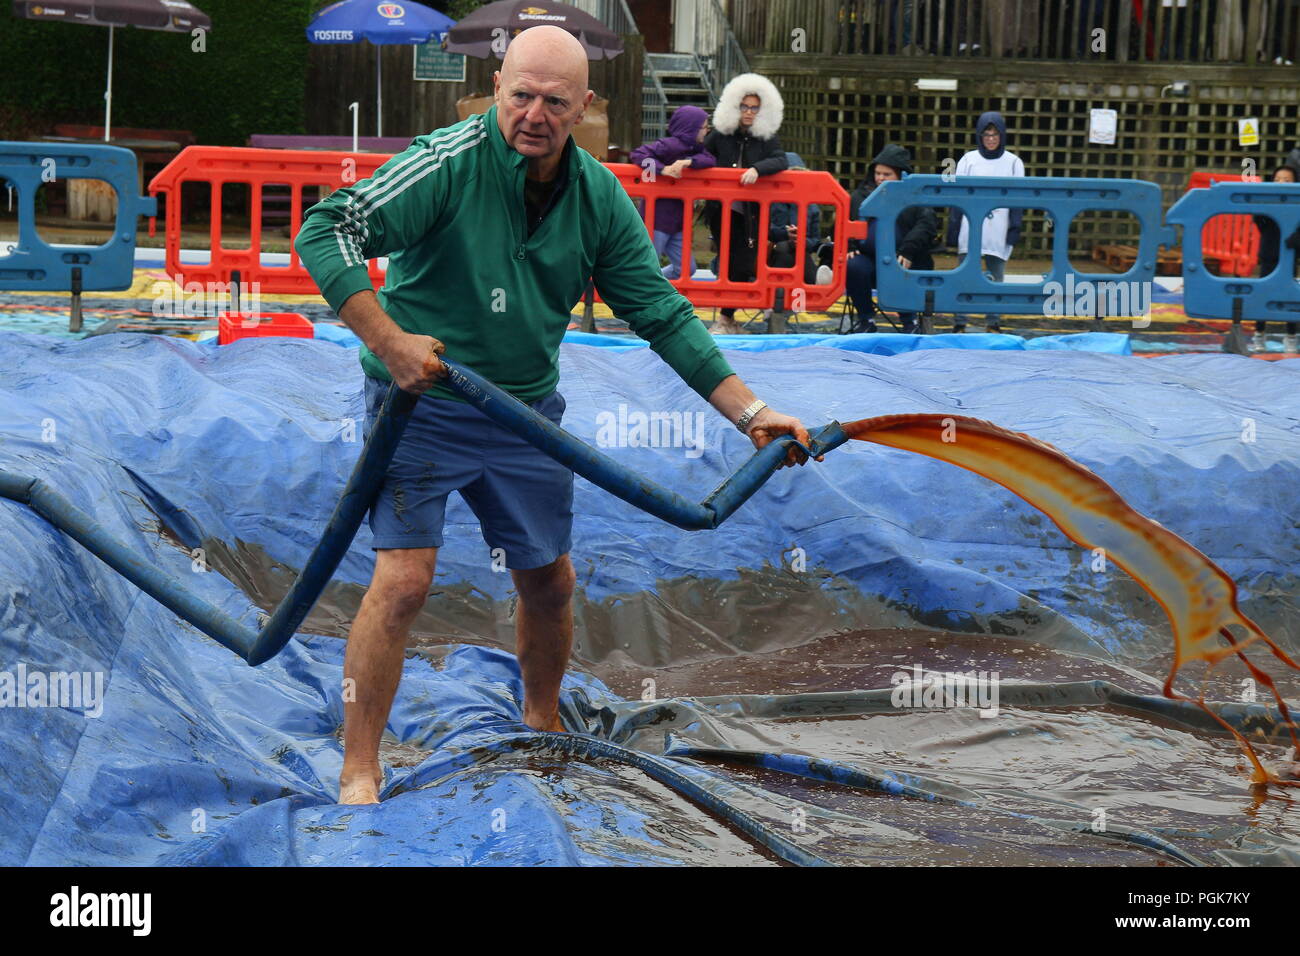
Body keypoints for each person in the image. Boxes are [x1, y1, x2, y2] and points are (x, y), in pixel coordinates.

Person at [293, 26, 819, 805]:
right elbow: (323, 230)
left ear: (585, 109)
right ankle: (360, 765)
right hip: (422, 406)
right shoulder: (447, 165)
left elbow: (662, 314)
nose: (534, 114)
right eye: (521, 95)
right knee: (404, 581)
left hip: (523, 413)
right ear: (496, 87)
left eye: (555, 102)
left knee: (550, 582)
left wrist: (753, 412)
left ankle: (540, 725)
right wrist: (391, 340)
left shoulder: (599, 196)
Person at [702, 73, 789, 334]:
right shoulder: (721, 134)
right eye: (744, 106)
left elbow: (781, 160)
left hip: (750, 214)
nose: (749, 112)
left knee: (742, 263)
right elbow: (702, 154)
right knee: (727, 261)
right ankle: (725, 319)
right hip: (721, 210)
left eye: (754, 107)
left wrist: (757, 169)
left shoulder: (766, 137)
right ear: (734, 106)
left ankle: (727, 317)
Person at [844, 144, 938, 334]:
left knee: (904, 266)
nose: (880, 178)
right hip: (869, 259)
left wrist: (908, 250)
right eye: (878, 173)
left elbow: (926, 225)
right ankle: (866, 320)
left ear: (900, 175)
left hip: (904, 257)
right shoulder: (859, 196)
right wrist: (850, 245)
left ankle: (909, 321)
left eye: (887, 174)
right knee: (852, 265)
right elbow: (845, 223)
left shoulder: (916, 197)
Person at [945, 110, 1025, 332]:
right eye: (986, 134)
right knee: (963, 275)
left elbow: (1019, 197)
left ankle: (993, 321)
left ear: (1002, 136)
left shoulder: (1013, 162)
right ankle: (960, 321)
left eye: (995, 134)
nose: (991, 139)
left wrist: (1015, 227)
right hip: (970, 225)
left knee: (996, 276)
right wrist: (953, 226)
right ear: (980, 136)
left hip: (999, 225)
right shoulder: (968, 160)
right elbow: (956, 196)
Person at [628, 105, 716, 279]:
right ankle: (641, 288)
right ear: (691, 129)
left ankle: (653, 281)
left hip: (678, 223)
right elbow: (638, 155)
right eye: (704, 127)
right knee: (646, 263)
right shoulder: (669, 146)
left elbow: (710, 160)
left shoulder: (696, 149)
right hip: (657, 220)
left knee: (686, 269)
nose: (707, 131)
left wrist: (688, 162)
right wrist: (663, 169)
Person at [1250, 154, 1300, 353]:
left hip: (1289, 256)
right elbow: (1260, 221)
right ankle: (1259, 334)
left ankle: (1290, 336)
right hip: (1269, 255)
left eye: (1286, 180)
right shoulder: (1268, 204)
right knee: (1264, 293)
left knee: (1288, 295)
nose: (1281, 183)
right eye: (1277, 179)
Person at [768, 152, 831, 287]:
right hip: (771, 251)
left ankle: (775, 290)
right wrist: (784, 233)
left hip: (798, 251)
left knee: (793, 250)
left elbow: (815, 240)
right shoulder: (770, 201)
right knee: (785, 247)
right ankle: (815, 279)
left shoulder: (811, 207)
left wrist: (803, 241)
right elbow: (763, 229)